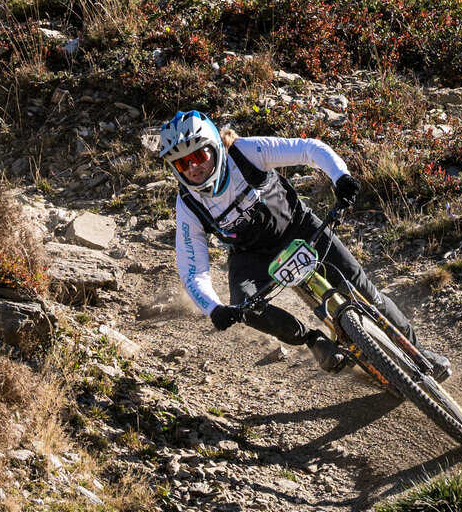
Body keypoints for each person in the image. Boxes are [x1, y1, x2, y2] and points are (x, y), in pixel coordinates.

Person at [155, 109, 446, 378]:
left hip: (299, 227)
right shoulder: (189, 205)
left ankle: (419, 352)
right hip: (252, 255)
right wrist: (214, 309)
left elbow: (309, 149)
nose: (193, 167)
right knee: (245, 307)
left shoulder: (245, 153)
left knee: (361, 287)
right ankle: (311, 338)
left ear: (216, 146)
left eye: (199, 155)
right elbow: (194, 272)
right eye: (183, 162)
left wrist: (340, 177)